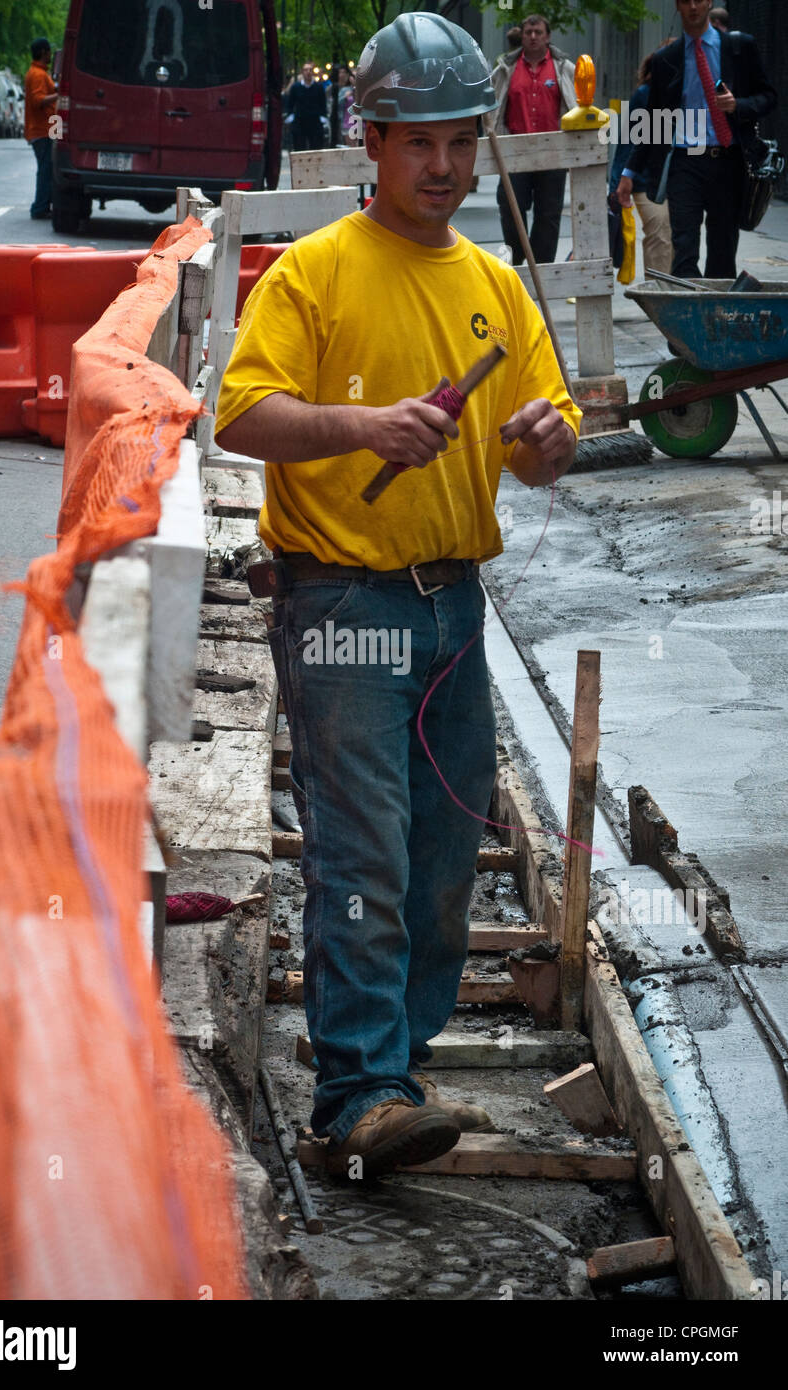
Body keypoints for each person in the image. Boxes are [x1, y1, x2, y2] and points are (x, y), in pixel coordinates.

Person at [214, 12, 580, 1177]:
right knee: (361, 854)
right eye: (419, 142)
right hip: (342, 606)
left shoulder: (491, 285)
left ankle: (399, 1071)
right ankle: (355, 1092)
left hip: (452, 606)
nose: (444, 166)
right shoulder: (316, 273)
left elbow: (546, 433)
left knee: (437, 859)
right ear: (370, 140)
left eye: (461, 141)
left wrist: (540, 439)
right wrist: (362, 425)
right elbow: (240, 414)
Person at [616, 0, 776, 279]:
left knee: (723, 252)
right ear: (677, 5)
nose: (693, 7)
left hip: (728, 161)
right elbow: (654, 121)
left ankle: (717, 316)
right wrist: (629, 172)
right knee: (684, 249)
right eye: (686, 0)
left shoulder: (739, 48)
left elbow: (769, 97)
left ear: (709, 3)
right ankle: (692, 314)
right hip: (684, 162)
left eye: (699, 0)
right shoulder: (665, 58)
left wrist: (738, 104)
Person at [485, 13, 576, 266]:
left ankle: (542, 266)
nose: (533, 36)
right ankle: (517, 256)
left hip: (553, 151)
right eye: (528, 32)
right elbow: (492, 107)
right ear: (522, 36)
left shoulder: (564, 69)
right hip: (515, 151)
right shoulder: (506, 69)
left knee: (549, 213)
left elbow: (576, 105)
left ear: (547, 36)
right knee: (509, 203)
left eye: (538, 32)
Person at [609, 51, 673, 275]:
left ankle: (671, 289)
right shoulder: (645, 95)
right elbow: (628, 141)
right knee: (659, 230)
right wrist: (618, 181)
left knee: (674, 236)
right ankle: (660, 293)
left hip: (678, 178)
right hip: (646, 180)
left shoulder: (688, 94)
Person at [24, 37, 58, 220]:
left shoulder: (41, 73)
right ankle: (40, 207)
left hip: (50, 127)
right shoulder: (37, 74)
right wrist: (58, 95)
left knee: (49, 169)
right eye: (49, 51)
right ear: (44, 52)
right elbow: (38, 101)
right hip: (43, 129)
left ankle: (44, 205)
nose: (51, 55)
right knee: (46, 170)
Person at [287, 61, 326, 151]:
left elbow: (322, 103)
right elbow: (290, 103)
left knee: (316, 147)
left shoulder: (319, 87)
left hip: (315, 121)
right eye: (306, 70)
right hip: (300, 121)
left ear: (312, 72)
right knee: (299, 147)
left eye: (310, 70)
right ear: (302, 72)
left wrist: (323, 117)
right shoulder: (296, 87)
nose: (308, 72)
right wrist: (291, 116)